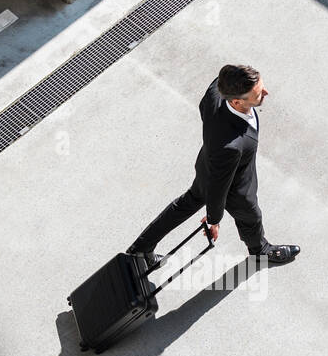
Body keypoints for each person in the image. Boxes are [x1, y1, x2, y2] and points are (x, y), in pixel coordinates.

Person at [127, 64, 300, 268]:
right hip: (234, 185)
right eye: (258, 94)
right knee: (251, 216)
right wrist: (213, 220)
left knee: (186, 203)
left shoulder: (216, 90)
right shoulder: (232, 146)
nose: (265, 92)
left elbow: (204, 107)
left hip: (208, 164)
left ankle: (140, 249)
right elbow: (219, 187)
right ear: (236, 101)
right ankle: (260, 251)